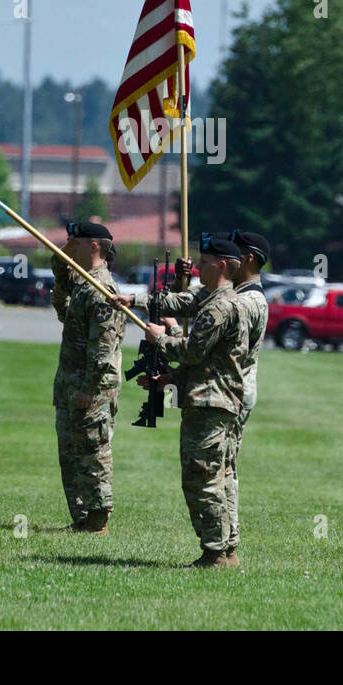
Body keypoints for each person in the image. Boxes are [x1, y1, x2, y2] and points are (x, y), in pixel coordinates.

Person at [144, 234, 249, 568]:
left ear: (220, 266)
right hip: (213, 400)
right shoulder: (216, 299)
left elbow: (192, 351)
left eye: (203, 262)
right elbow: (182, 304)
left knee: (202, 478)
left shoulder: (220, 307)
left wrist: (162, 339)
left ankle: (216, 552)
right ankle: (225, 549)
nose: (197, 267)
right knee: (216, 476)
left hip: (210, 402)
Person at [50, 221, 127, 533]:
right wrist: (66, 249)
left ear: (94, 246)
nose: (72, 247)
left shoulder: (101, 290)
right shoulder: (83, 283)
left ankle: (97, 519)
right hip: (70, 384)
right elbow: (60, 272)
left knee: (93, 453)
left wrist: (88, 388)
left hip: (91, 388)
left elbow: (103, 347)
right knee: (71, 454)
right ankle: (81, 518)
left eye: (77, 242)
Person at [225, 229, 270, 553]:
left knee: (223, 467)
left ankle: (227, 540)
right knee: (223, 465)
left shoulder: (248, 301)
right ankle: (225, 537)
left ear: (248, 258)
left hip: (234, 390)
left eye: (233, 253)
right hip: (231, 388)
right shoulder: (239, 294)